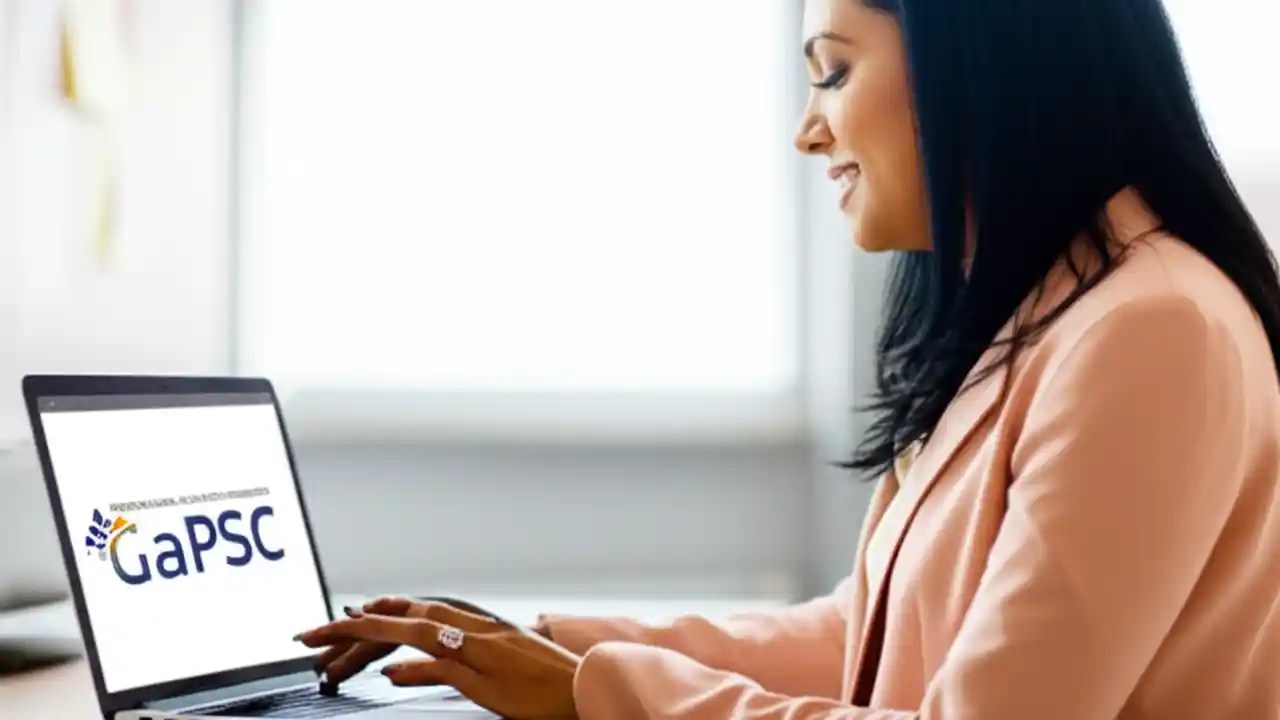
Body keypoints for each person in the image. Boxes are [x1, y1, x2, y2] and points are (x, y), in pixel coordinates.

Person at [293, 0, 1280, 717]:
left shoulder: (1150, 332)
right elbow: (869, 638)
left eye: (834, 70)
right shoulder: (1059, 315)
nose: (808, 130)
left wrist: (594, 693)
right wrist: (542, 643)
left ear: (977, 61)